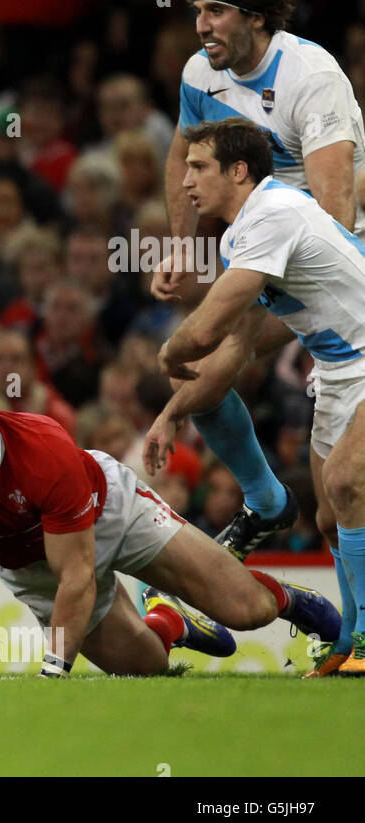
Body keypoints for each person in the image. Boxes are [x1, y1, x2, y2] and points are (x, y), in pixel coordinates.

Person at [0, 354, 338, 677]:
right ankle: (168, 621)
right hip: (36, 570)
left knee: (246, 611)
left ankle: (299, 603)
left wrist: (52, 673)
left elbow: (80, 573)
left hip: (112, 514)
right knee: (144, 671)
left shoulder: (44, 448)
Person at [150, 0, 365, 562]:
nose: (200, 25)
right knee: (331, 507)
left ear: (258, 16)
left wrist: (263, 278)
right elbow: (181, 155)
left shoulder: (310, 77)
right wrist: (179, 242)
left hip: (331, 253)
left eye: (217, 10)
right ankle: (266, 500)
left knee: (218, 346)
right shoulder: (201, 73)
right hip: (262, 240)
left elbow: (335, 214)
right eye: (196, 10)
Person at [151, 117, 365, 675]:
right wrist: (173, 409)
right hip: (339, 373)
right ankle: (346, 642)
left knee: (347, 482)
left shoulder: (272, 214)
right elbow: (237, 344)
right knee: (328, 517)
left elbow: (207, 331)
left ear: (238, 171)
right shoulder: (240, 232)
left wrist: (170, 355)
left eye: (199, 167)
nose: (187, 180)